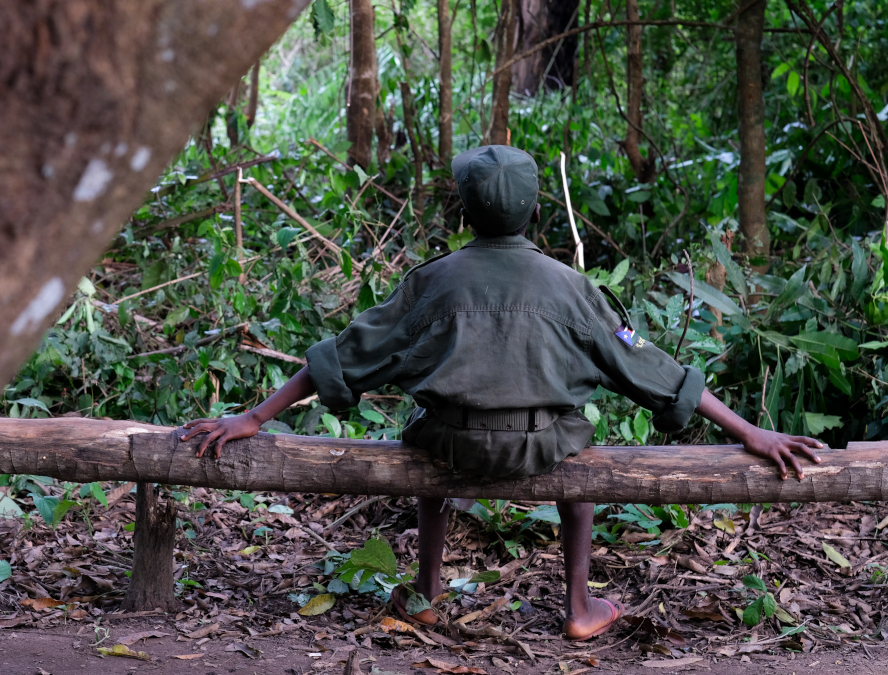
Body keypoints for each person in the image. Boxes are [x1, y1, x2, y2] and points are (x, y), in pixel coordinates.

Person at [179, 146, 824, 641]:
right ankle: (577, 606)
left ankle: (428, 592)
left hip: (449, 445)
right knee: (578, 447)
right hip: (542, 447)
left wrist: (255, 415)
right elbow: (649, 371)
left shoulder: (432, 282)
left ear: (463, 212)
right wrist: (751, 432)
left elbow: (350, 355)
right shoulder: (573, 288)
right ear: (536, 211)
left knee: (425, 428)